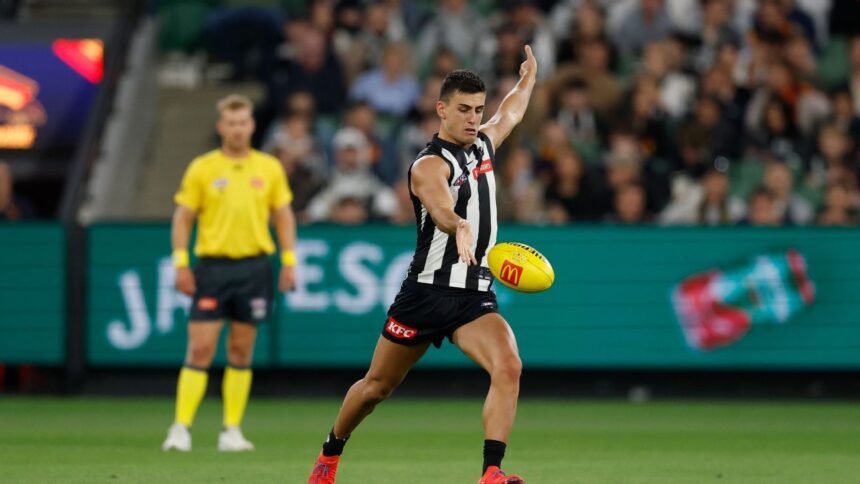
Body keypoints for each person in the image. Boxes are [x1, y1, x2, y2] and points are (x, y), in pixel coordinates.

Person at [307, 45, 538, 484]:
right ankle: (330, 452)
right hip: (426, 294)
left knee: (509, 366)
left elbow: (511, 114)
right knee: (376, 387)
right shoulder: (429, 164)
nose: (473, 118)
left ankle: (492, 472)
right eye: (464, 109)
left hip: (474, 294)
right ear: (441, 110)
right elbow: (439, 206)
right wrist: (458, 226)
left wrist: (527, 80)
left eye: (478, 109)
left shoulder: (484, 145)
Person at [161, 94, 297, 452]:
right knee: (201, 347)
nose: (238, 129)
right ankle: (181, 427)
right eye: (231, 123)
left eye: (243, 122)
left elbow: (283, 216)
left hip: (253, 267)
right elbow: (183, 218)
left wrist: (289, 261)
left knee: (240, 350)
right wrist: (180, 263)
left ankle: (231, 430)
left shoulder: (268, 168)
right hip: (213, 267)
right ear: (222, 127)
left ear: (252, 125)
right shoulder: (203, 168)